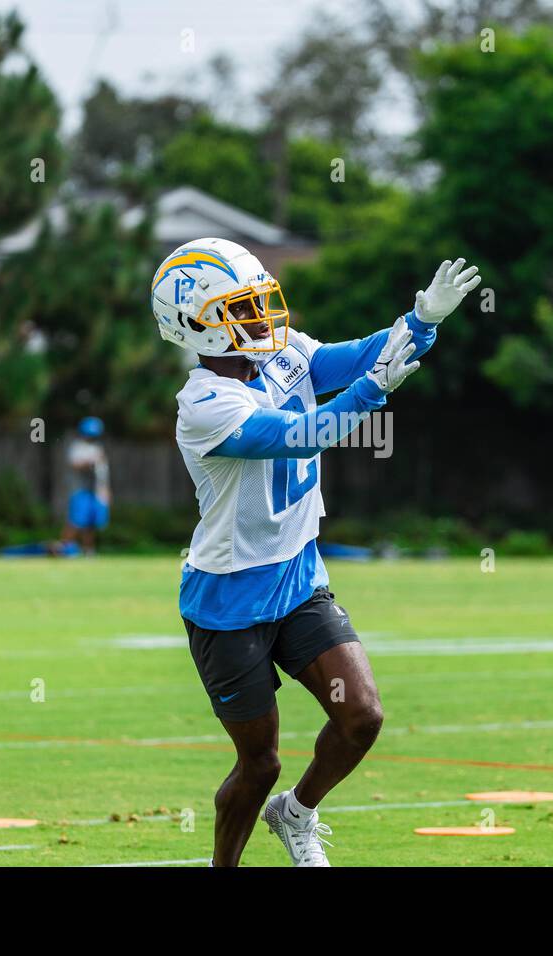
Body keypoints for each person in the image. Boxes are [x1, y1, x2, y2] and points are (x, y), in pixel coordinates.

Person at [152, 238, 480, 867]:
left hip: (299, 576)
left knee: (362, 717)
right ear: (197, 326)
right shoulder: (202, 406)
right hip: (230, 599)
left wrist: (423, 321)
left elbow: (359, 358)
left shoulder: (283, 353)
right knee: (259, 762)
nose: (261, 317)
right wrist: (371, 394)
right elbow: (301, 437)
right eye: (239, 308)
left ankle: (297, 813)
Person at [61, 416, 111, 555]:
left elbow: (103, 473)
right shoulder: (78, 447)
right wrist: (90, 462)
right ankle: (64, 548)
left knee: (91, 523)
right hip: (80, 489)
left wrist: (105, 491)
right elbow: (75, 464)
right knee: (76, 521)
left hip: (96, 491)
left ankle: (88, 550)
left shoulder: (98, 448)